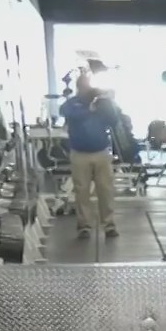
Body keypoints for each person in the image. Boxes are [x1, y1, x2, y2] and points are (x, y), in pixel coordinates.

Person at [59, 72, 121, 239]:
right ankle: (84, 226)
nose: (89, 89)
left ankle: (109, 225)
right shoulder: (72, 103)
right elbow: (66, 113)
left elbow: (114, 120)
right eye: (86, 86)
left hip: (101, 152)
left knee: (106, 190)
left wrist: (107, 103)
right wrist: (89, 110)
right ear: (79, 87)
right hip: (80, 154)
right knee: (82, 191)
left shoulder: (102, 103)